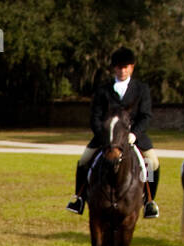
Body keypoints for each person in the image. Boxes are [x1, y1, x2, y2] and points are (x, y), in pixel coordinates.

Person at [67, 47, 160, 219]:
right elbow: (95, 117)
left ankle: (149, 201)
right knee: (84, 160)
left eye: (126, 67)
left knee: (152, 163)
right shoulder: (103, 90)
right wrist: (104, 136)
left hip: (134, 137)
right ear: (114, 68)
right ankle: (79, 198)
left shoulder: (141, 89)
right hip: (107, 137)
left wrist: (135, 134)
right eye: (118, 67)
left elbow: (146, 115)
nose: (122, 70)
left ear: (132, 67)